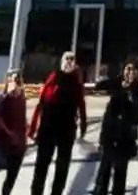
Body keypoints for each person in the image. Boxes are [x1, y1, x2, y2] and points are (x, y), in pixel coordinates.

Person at [28, 51, 88, 195]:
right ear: (62, 62)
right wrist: (33, 128)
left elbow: (81, 104)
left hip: (66, 130)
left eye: (72, 60)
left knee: (62, 167)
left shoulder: (76, 82)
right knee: (42, 165)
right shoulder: (54, 77)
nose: (69, 62)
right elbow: (42, 102)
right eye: (67, 59)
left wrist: (83, 124)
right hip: (48, 128)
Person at [91, 61, 138, 195]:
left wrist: (131, 93)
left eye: (133, 70)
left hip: (124, 139)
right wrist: (105, 80)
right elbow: (100, 86)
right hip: (110, 136)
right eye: (128, 69)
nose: (130, 73)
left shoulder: (137, 92)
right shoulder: (117, 84)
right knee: (103, 172)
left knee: (119, 177)